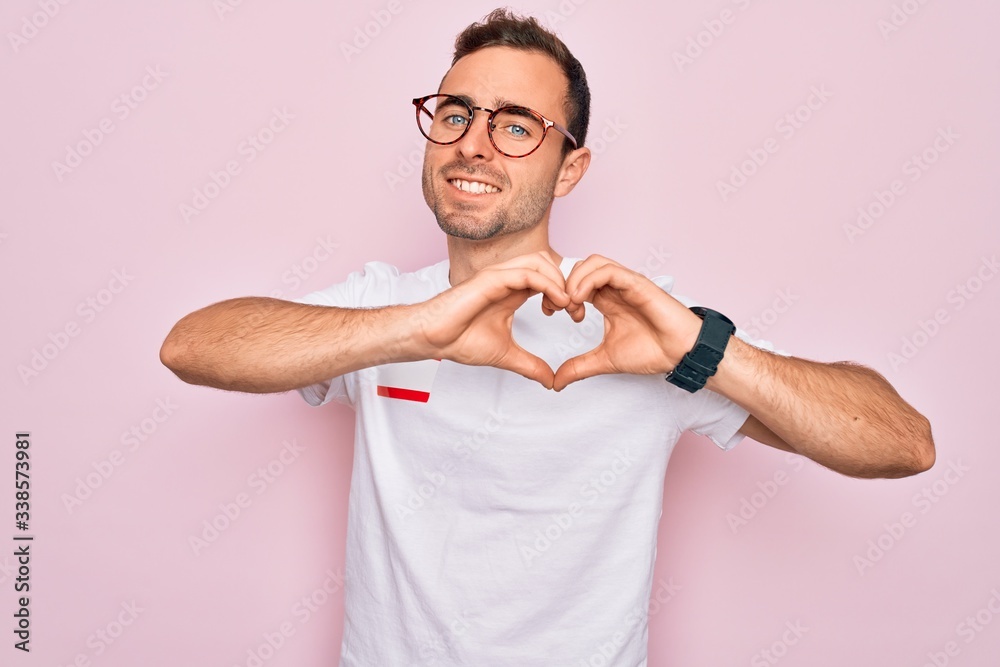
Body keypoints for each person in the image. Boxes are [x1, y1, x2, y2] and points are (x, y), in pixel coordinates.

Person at [160, 8, 935, 665]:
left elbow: (902, 444)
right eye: (457, 113)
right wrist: (421, 326)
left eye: (518, 126)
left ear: (570, 169)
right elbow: (193, 347)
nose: (474, 143)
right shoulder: (381, 307)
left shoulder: (652, 330)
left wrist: (701, 351)